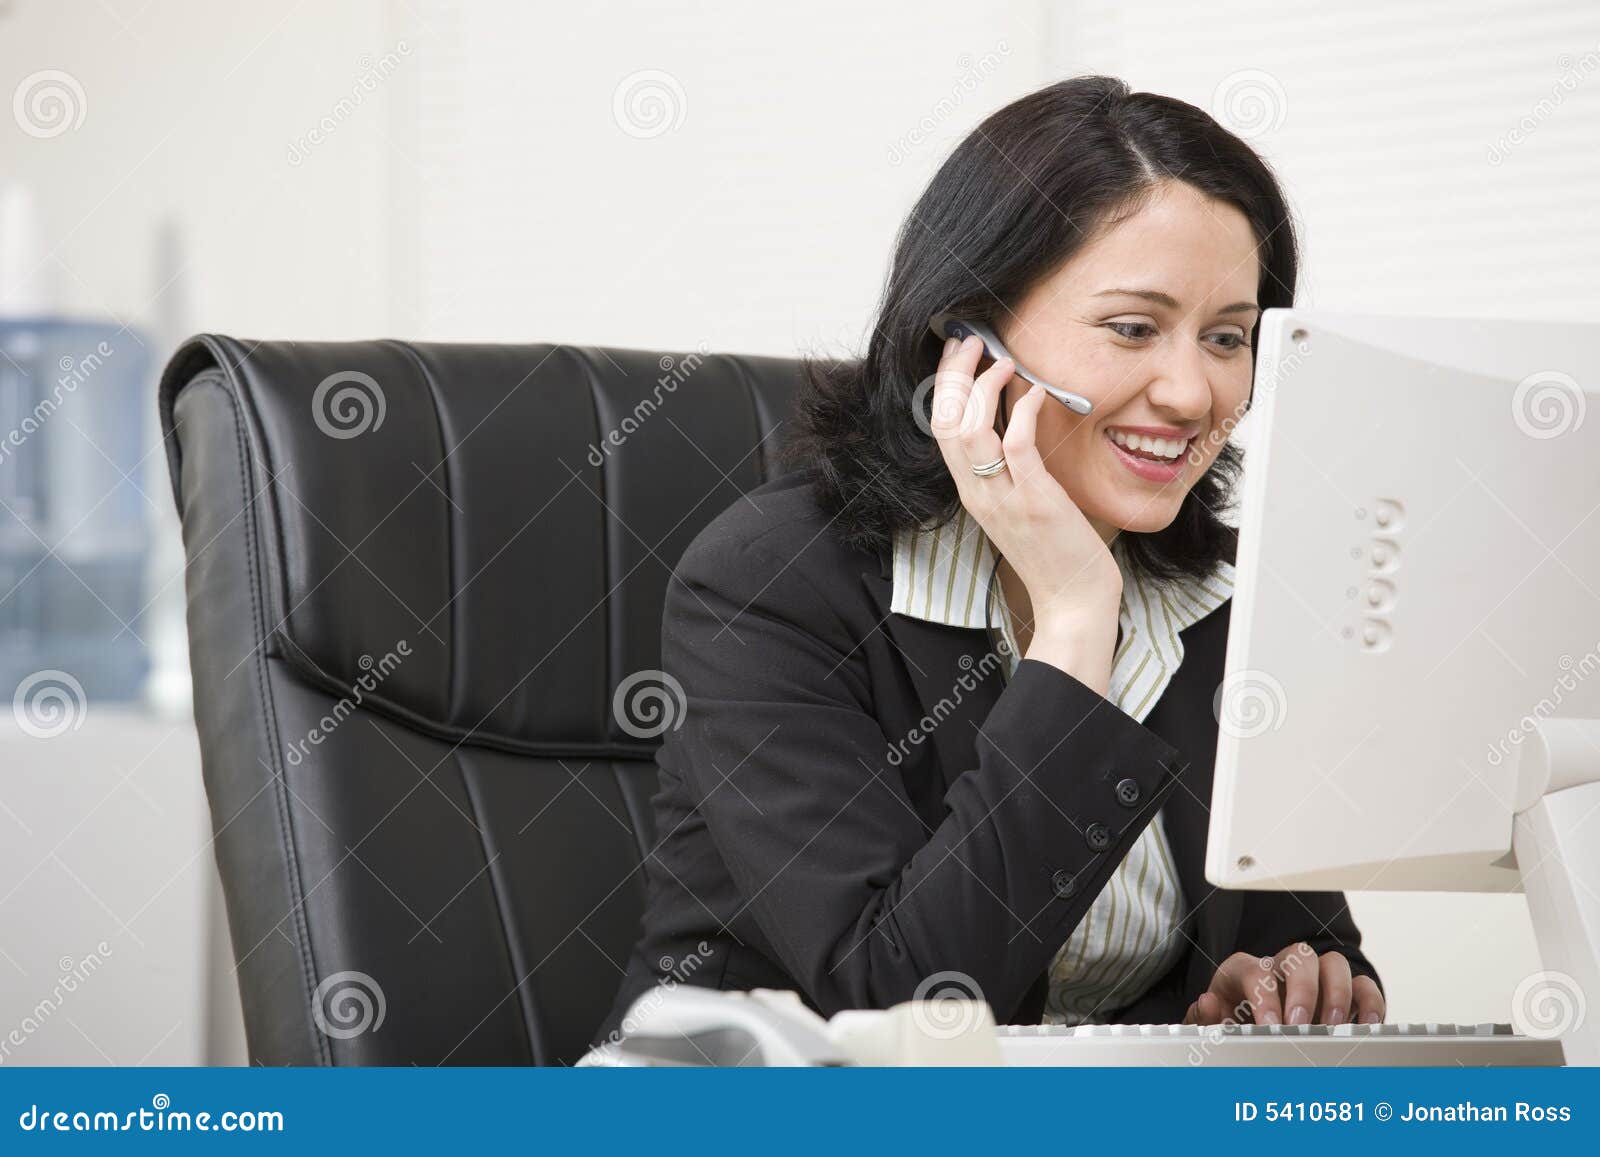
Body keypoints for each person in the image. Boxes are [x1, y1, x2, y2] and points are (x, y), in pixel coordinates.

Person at [586, 74, 1383, 1060]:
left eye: (1227, 336)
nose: (1190, 392)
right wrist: (1077, 617)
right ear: (969, 339)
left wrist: (1278, 984)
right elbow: (901, 998)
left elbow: (1292, 931)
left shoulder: (1218, 595)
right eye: (1132, 327)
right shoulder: (771, 583)